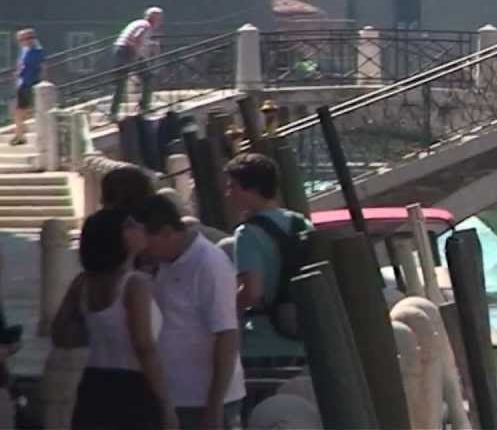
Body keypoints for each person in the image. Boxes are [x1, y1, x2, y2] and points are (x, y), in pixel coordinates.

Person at [51, 207, 176, 430]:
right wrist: (166, 402)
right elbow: (144, 346)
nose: (140, 228)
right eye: (130, 225)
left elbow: (60, 334)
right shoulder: (135, 284)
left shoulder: (83, 282)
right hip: (134, 388)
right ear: (116, 237)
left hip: (93, 385)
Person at [135, 194, 245, 430]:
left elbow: (227, 336)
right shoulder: (164, 262)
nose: (144, 252)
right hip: (175, 395)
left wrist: (214, 406)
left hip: (203, 399)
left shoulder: (209, 265)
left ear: (166, 232)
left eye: (148, 244)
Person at [226, 153, 311, 371]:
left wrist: (229, 313)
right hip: (306, 343)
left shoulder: (246, 234)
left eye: (233, 186)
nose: (228, 194)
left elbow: (253, 292)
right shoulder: (303, 225)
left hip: (263, 345)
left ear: (252, 189)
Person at [110, 7, 163, 120]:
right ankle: (144, 108)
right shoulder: (146, 26)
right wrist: (138, 55)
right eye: (159, 18)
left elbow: (136, 39)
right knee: (147, 77)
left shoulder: (138, 22)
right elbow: (136, 38)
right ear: (153, 18)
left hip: (120, 49)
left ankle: (113, 112)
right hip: (128, 51)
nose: (160, 21)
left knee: (121, 82)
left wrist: (150, 45)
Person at [10, 29, 43, 146]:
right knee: (18, 110)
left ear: (30, 39)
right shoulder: (25, 50)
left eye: (22, 39)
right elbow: (20, 65)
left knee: (24, 110)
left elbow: (41, 67)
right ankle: (19, 135)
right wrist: (17, 75)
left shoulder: (36, 52)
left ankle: (21, 136)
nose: (20, 42)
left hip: (30, 83)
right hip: (22, 83)